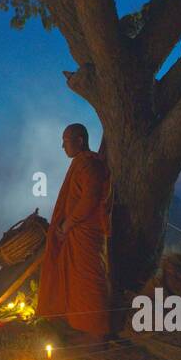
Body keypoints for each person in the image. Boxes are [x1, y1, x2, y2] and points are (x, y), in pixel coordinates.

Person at [34, 123, 115, 338]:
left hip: (86, 233)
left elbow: (89, 199)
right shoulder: (82, 164)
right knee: (75, 281)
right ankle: (79, 325)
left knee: (89, 280)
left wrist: (67, 224)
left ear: (79, 141)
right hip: (75, 233)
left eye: (66, 141)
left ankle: (96, 331)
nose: (62, 146)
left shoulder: (91, 165)